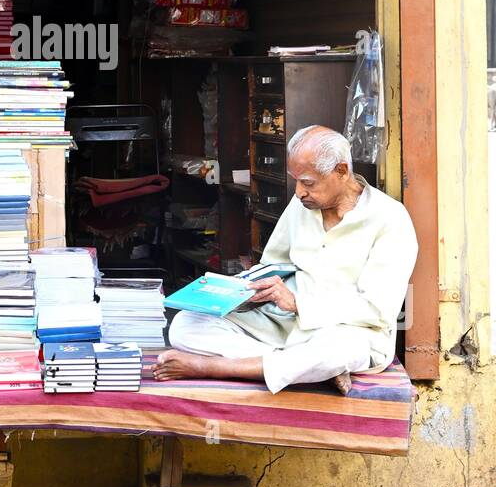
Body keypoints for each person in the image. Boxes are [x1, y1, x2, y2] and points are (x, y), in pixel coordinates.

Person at [153, 124, 418, 394]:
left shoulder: (390, 220)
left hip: (342, 332)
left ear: (341, 171)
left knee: (339, 351)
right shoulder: (304, 204)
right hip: (281, 325)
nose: (299, 192)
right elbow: (273, 264)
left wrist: (298, 303)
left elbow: (377, 311)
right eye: (296, 181)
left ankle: (213, 367)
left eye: (308, 183)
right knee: (186, 324)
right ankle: (305, 371)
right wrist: (249, 289)